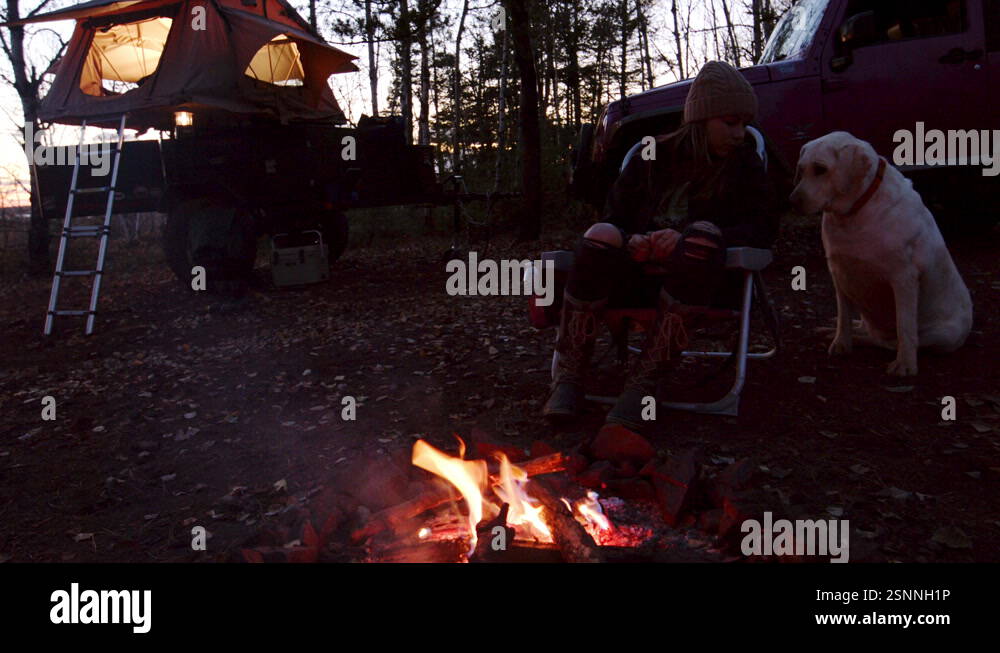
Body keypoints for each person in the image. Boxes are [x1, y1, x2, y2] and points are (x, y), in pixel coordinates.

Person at [543, 60, 780, 432]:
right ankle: (570, 377)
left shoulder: (745, 164)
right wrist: (633, 239)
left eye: (744, 124)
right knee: (601, 233)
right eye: (729, 123)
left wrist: (690, 238)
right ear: (700, 120)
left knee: (701, 235)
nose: (739, 133)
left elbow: (763, 228)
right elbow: (615, 216)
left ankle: (644, 383)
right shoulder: (649, 157)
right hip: (636, 277)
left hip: (703, 279)